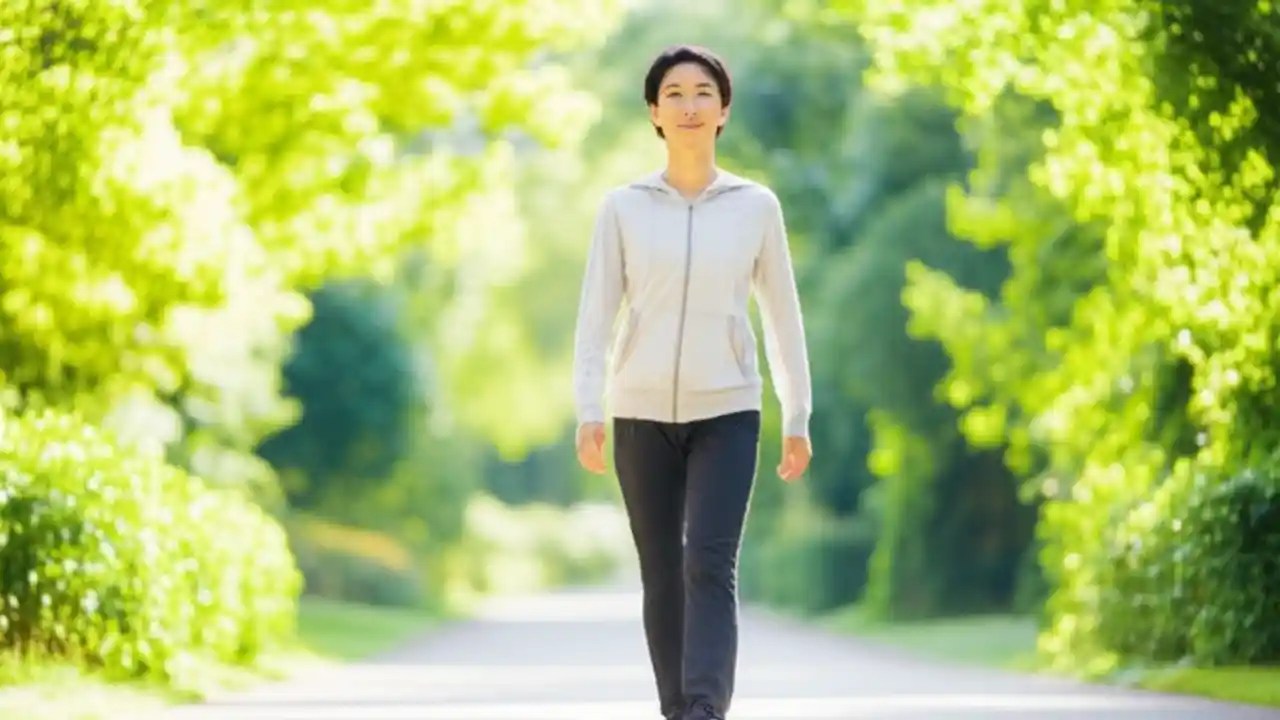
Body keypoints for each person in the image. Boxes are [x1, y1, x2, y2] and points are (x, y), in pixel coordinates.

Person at [571, 44, 813, 720]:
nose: (688, 104)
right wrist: (590, 407)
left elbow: (783, 317)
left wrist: (797, 414)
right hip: (640, 413)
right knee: (662, 573)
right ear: (653, 111)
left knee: (708, 562)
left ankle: (705, 708)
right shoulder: (622, 208)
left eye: (702, 91)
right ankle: (678, 709)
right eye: (673, 93)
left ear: (723, 109)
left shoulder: (756, 207)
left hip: (729, 410)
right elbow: (595, 316)